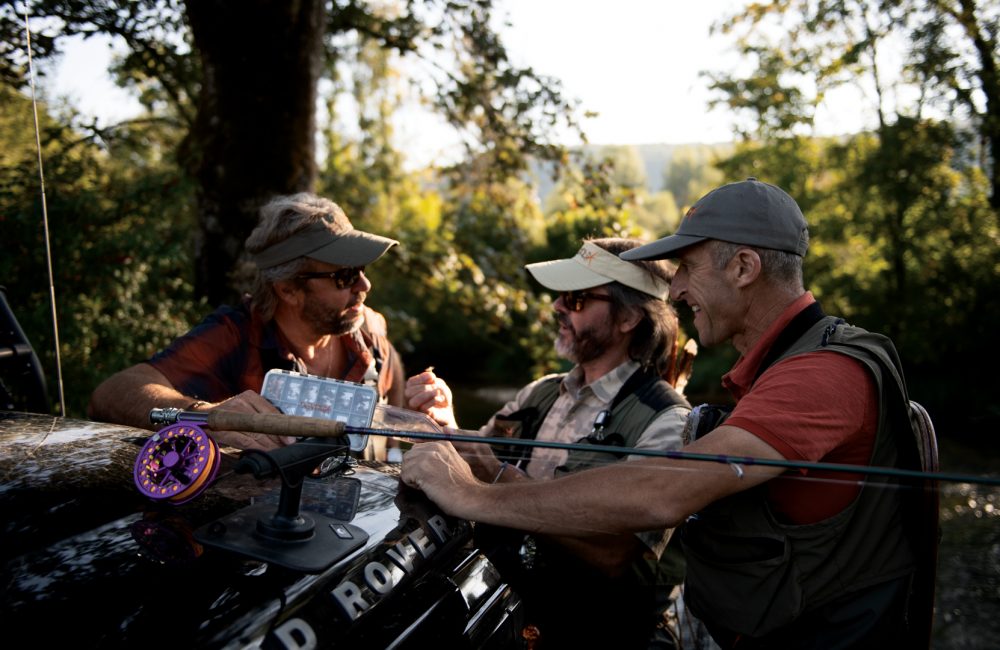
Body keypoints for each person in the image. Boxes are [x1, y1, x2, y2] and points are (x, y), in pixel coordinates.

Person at [401, 179, 931, 648]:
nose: (675, 290)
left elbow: (665, 492)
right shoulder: (784, 367)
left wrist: (475, 494)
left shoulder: (821, 373)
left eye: (687, 268)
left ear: (744, 267)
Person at [404, 237, 694, 649]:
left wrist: (496, 475)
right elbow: (467, 468)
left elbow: (615, 552)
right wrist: (446, 425)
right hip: (508, 618)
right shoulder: (539, 392)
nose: (558, 306)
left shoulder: (669, 421)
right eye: (561, 297)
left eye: (576, 299)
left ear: (629, 317)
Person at [89, 192, 406, 458]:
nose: (364, 286)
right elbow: (112, 394)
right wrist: (210, 416)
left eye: (362, 270)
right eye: (345, 276)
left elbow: (394, 390)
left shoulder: (368, 333)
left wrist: (425, 417)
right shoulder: (234, 335)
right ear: (288, 290)